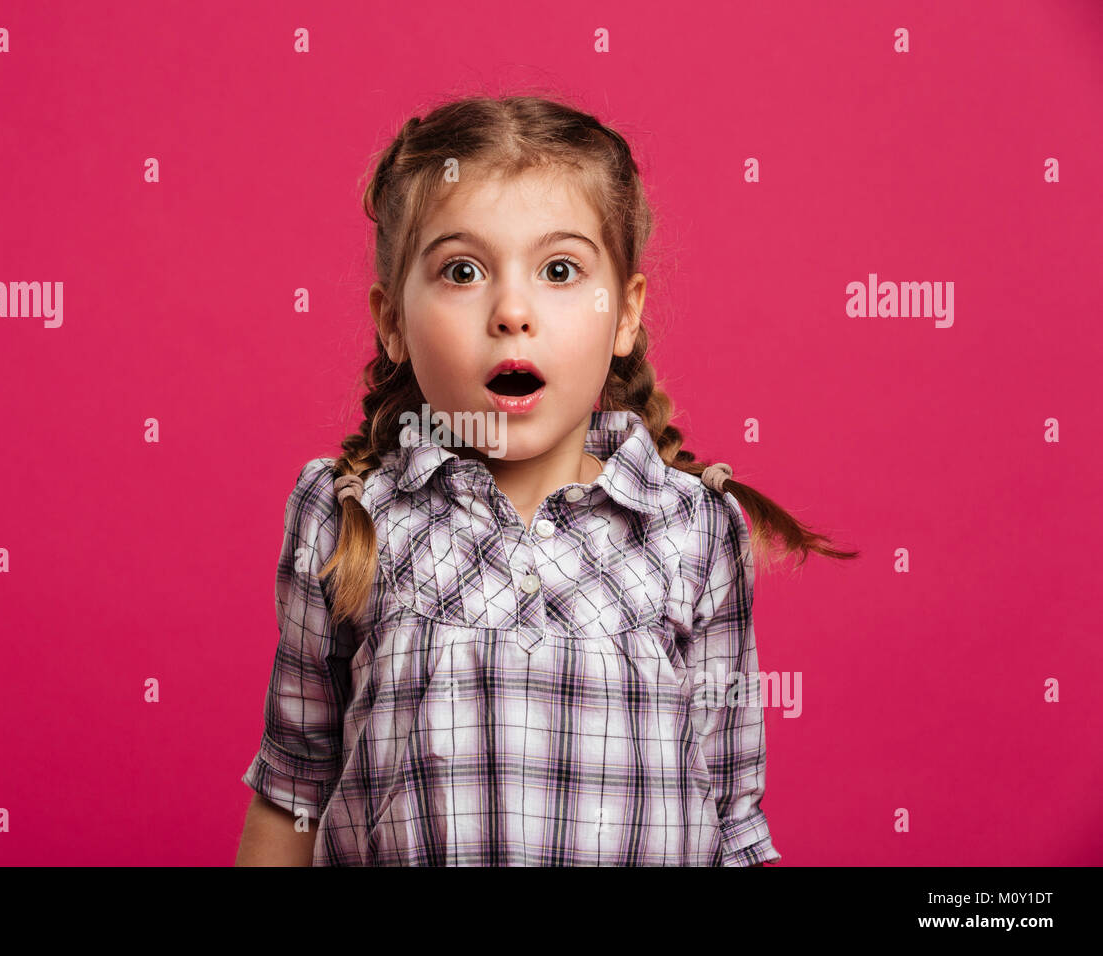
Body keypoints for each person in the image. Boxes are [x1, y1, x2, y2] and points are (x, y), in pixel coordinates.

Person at [235, 94, 857, 867]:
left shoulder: (694, 527)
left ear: (625, 313)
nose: (513, 311)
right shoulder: (346, 517)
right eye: (462, 271)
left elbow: (733, 822)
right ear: (392, 319)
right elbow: (293, 797)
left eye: (559, 270)